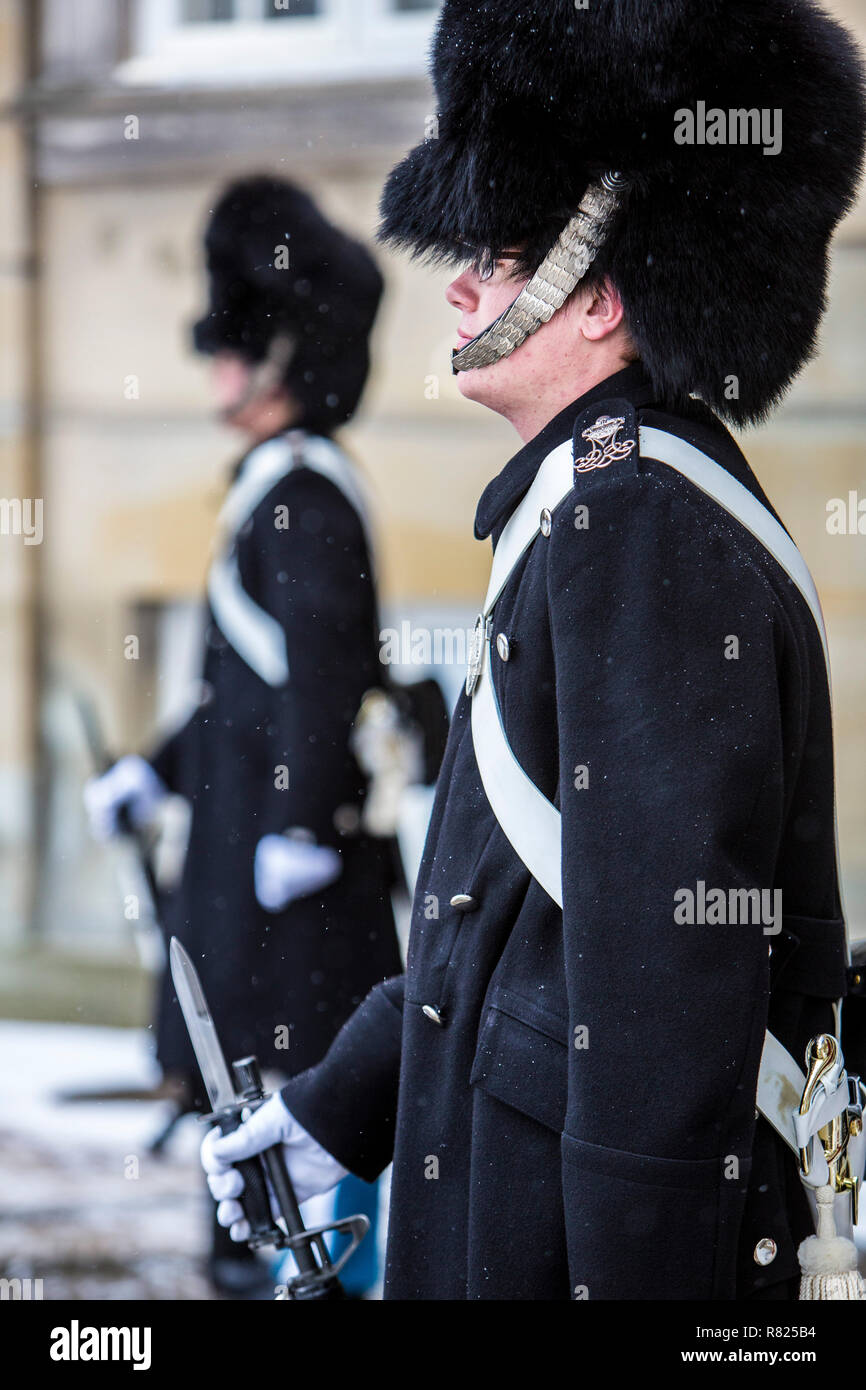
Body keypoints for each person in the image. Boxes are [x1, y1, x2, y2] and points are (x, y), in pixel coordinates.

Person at [198, 2, 866, 1300]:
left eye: (499, 256)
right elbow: (500, 906)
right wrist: (342, 1101)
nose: (459, 284)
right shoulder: (590, 501)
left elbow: (662, 990)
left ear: (598, 292)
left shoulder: (635, 521)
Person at [85, 175, 403, 1294]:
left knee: (275, 1122)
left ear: (281, 359)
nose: (219, 365)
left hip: (288, 884)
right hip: (251, 864)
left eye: (239, 343)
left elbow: (325, 675)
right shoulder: (272, 486)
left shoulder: (306, 495)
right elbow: (238, 694)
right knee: (237, 1112)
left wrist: (302, 822)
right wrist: (151, 770)